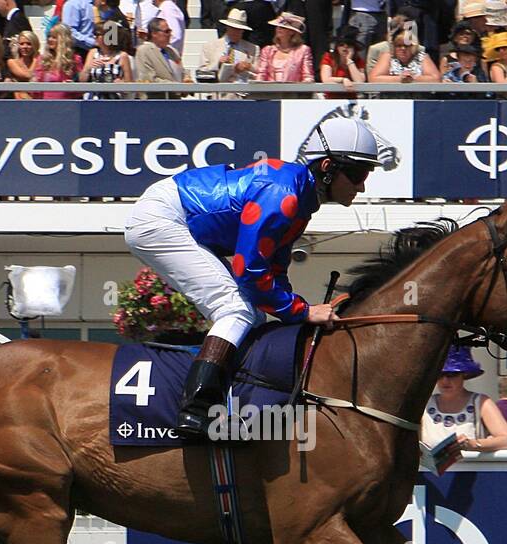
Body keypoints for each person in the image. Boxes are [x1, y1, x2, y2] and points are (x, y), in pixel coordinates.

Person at [124, 115, 384, 440]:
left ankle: (236, 401)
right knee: (236, 310)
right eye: (358, 173)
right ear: (328, 167)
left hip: (175, 214)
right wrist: (303, 311)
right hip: (163, 218)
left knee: (253, 314)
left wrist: (295, 312)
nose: (362, 185)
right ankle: (195, 411)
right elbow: (248, 271)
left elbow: (274, 271)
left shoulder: (300, 197)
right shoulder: (284, 195)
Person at [420, 346, 507, 457]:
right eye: (440, 374)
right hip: (428, 473)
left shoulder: (481, 402)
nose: (445, 380)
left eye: (452, 375)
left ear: (464, 374)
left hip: (470, 472)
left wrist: (472, 444)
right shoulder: (423, 404)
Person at [200, 6, 255, 85]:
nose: (235, 32)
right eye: (233, 28)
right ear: (227, 27)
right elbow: (202, 73)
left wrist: (248, 67)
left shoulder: (252, 49)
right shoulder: (210, 46)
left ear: (243, 30)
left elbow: (259, 75)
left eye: (239, 29)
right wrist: (218, 64)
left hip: (243, 92)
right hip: (218, 92)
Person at [371, 22, 439, 83]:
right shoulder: (387, 57)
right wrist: (400, 79)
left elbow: (436, 79)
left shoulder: (422, 57)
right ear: (393, 47)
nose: (403, 49)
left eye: (406, 46)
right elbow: (374, 79)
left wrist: (413, 78)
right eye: (399, 46)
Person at [255, 12, 314, 83]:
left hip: (293, 92)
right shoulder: (267, 50)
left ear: (292, 32)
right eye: (278, 26)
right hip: (269, 92)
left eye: (283, 27)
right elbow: (261, 74)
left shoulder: (303, 50)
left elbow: (308, 76)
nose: (279, 29)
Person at [133, 17, 182, 81]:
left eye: (170, 31)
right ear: (154, 33)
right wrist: (175, 87)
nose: (170, 34)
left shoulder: (173, 51)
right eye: (167, 31)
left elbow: (182, 73)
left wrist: (187, 80)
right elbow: (148, 78)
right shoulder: (144, 51)